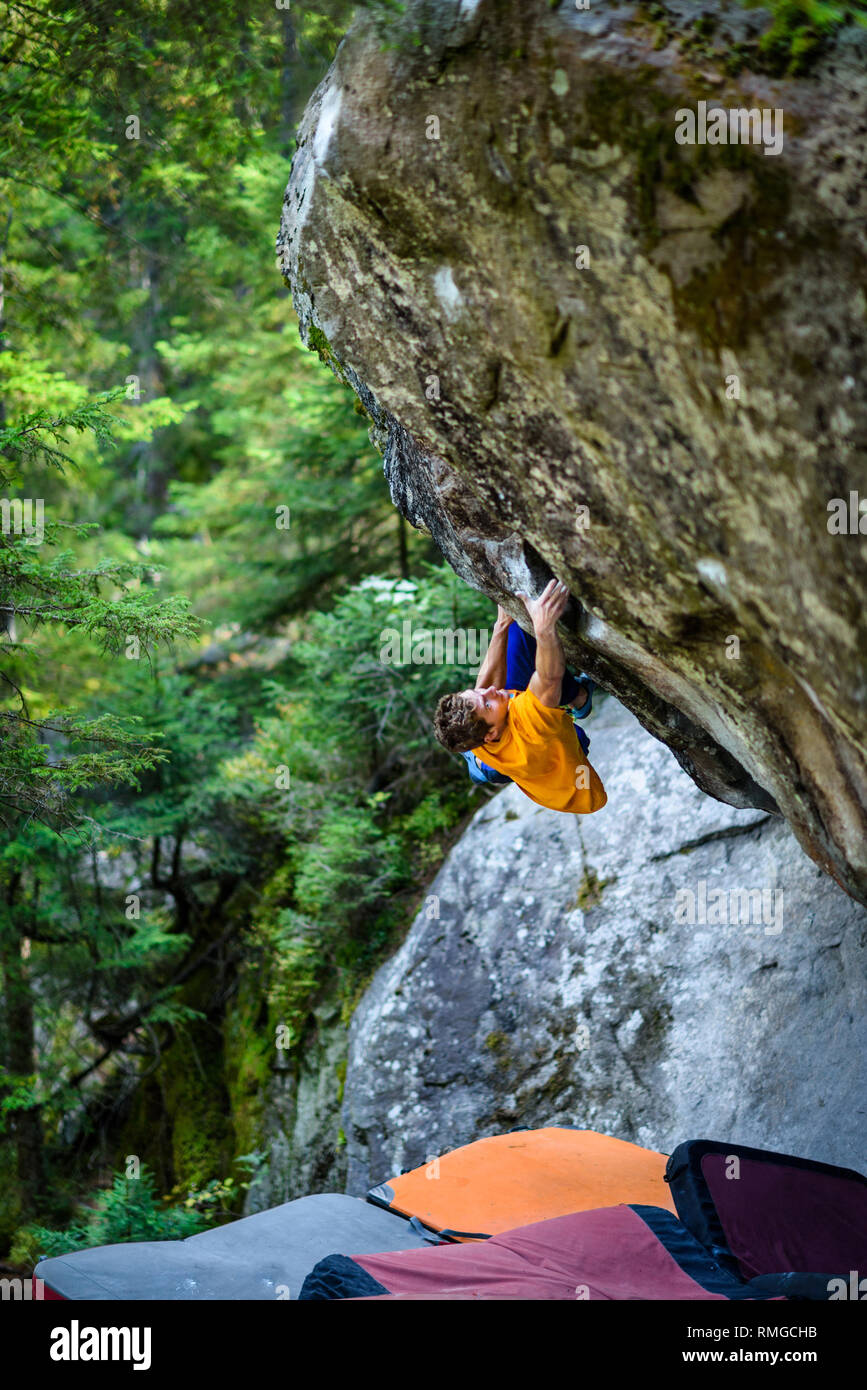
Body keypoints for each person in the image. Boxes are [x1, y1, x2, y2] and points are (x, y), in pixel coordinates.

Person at [433, 580, 607, 816]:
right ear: (491, 734)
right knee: (566, 724)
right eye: (486, 702)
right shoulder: (531, 727)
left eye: (476, 694)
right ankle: (579, 698)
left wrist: (502, 624)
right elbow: (548, 678)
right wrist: (544, 627)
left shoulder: (479, 730)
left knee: (516, 632)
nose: (489, 692)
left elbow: (486, 686)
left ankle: (485, 765)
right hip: (577, 786)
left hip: (499, 749)